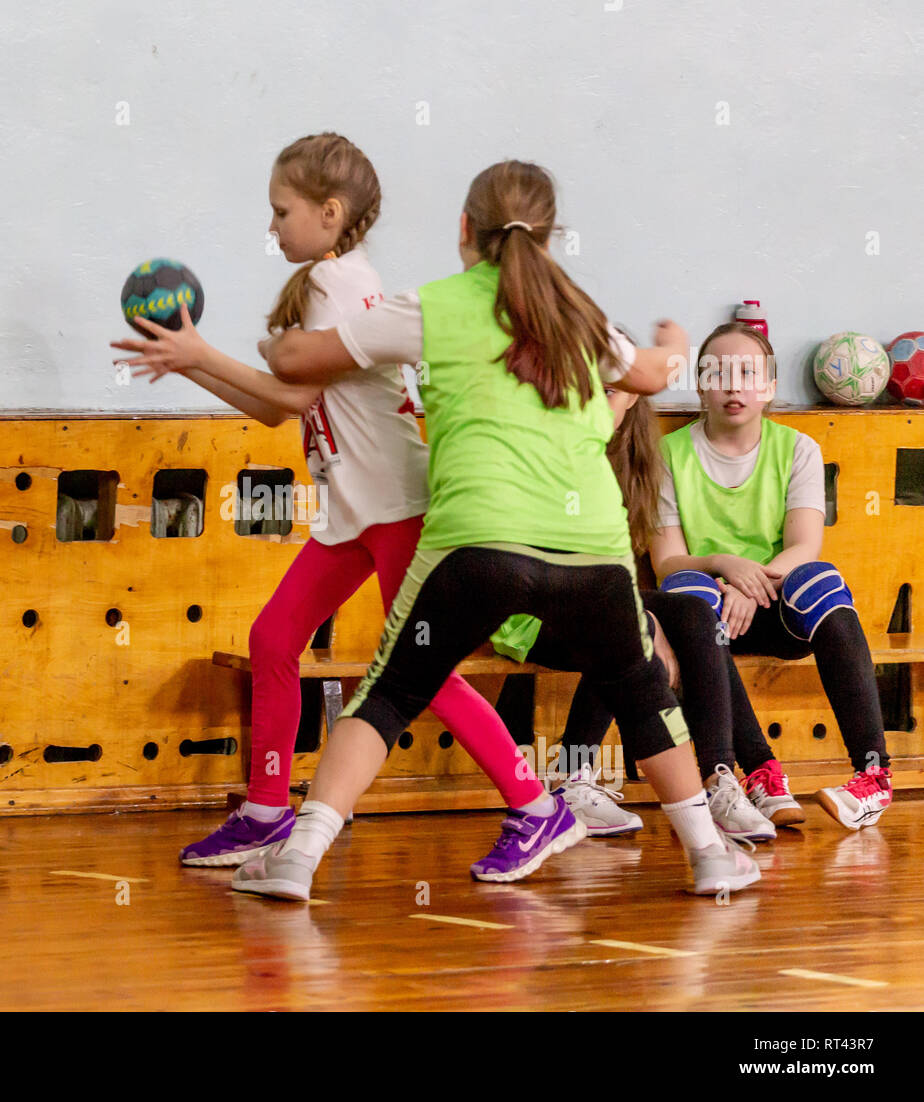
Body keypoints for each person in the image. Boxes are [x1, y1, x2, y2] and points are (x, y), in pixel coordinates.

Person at [235, 159, 760, 900]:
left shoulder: (434, 306)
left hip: (476, 545)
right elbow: (649, 373)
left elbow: (295, 358)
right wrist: (673, 342)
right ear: (550, 237)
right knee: (642, 689)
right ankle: (709, 854)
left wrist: (271, 346)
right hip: (592, 552)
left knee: (388, 693)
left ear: (462, 230)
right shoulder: (581, 315)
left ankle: (298, 858)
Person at [112, 134, 563, 876]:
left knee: (420, 669)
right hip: (354, 512)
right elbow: (274, 412)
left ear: (328, 212)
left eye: (280, 211)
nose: (271, 226)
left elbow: (292, 390)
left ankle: (536, 806)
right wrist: (188, 363)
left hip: (396, 507)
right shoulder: (328, 279)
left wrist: (198, 354)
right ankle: (264, 810)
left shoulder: (339, 284)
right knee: (274, 640)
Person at [519, 386, 803, 842]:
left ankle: (717, 779)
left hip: (590, 599)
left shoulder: (630, 458)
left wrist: (649, 618)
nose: (596, 399)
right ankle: (569, 778)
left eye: (611, 390)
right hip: (527, 607)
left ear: (633, 396)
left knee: (693, 612)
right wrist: (647, 625)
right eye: (587, 386)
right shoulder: (548, 447)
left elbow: (610, 573)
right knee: (623, 627)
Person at [650, 322, 893, 830]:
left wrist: (746, 583)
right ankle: (736, 776)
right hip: (706, 620)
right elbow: (668, 562)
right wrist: (722, 567)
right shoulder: (668, 455)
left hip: (777, 607)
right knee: (686, 592)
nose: (734, 386)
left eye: (748, 373)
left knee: (820, 578)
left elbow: (804, 545)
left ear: (769, 386)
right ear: (700, 385)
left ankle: (873, 777)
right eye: (719, 373)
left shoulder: (797, 448)